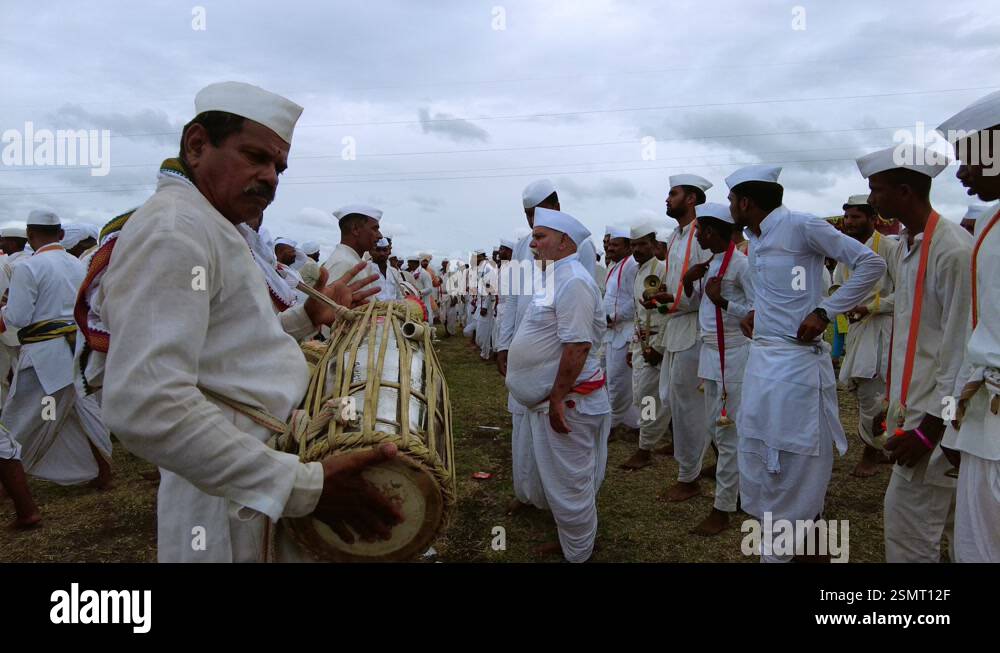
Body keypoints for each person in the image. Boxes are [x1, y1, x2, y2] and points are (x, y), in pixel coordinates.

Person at [81, 81, 401, 562]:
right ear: (196, 145)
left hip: (247, 478)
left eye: (279, 167)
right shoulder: (175, 230)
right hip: (229, 495)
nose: (270, 177)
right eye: (255, 156)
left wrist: (306, 317)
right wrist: (298, 485)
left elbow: (226, 346)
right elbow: (145, 402)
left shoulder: (211, 224)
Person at [729, 164, 885, 562]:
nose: (731, 206)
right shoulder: (756, 239)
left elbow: (871, 264)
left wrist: (826, 311)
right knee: (760, 452)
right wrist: (753, 313)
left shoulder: (802, 226)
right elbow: (774, 295)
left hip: (796, 366)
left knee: (795, 457)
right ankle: (800, 544)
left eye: (732, 200)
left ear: (746, 202)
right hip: (762, 362)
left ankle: (784, 549)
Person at [858, 144, 970, 562]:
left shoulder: (953, 250)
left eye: (877, 189)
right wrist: (893, 403)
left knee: (908, 533)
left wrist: (930, 432)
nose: (872, 200)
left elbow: (961, 349)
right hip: (917, 410)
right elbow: (914, 339)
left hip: (937, 421)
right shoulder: (908, 245)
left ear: (904, 192)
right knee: (957, 531)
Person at [505, 207, 610, 562]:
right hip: (558, 400)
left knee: (570, 485)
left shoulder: (575, 281)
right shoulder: (556, 277)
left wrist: (557, 398)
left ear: (564, 241)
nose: (532, 244)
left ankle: (578, 554)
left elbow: (577, 346)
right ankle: (573, 545)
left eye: (540, 236)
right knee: (562, 482)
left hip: (571, 404)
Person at [0, 210, 114, 524]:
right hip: (78, 350)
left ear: (30, 235)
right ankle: (103, 471)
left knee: (14, 421)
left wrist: (5, 307)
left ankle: (14, 494)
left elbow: (19, 318)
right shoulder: (80, 265)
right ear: (61, 235)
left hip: (44, 356)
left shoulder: (29, 267)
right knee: (82, 412)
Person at [937, 90, 1000, 562]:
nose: (961, 174)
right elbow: (980, 332)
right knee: (975, 548)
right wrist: (957, 424)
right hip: (984, 418)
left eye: (970, 160)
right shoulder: (991, 223)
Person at [688, 203, 753, 535]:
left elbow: (758, 313)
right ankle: (741, 491)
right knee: (717, 430)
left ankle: (723, 508)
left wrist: (723, 301)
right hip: (711, 355)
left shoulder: (741, 265)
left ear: (712, 232)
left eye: (699, 229)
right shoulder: (710, 263)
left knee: (728, 435)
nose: (696, 234)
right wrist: (690, 281)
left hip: (735, 356)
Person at [833, 194, 900, 478]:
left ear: (873, 219)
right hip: (858, 329)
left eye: (856, 217)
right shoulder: (845, 250)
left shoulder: (888, 248)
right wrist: (841, 303)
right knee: (864, 391)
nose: (849, 222)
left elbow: (905, 293)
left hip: (884, 329)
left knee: (877, 393)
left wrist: (870, 306)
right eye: (847, 217)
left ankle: (872, 451)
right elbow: (837, 284)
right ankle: (883, 445)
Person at [659, 174, 714, 502]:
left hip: (695, 328)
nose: (667, 198)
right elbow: (674, 284)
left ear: (691, 199)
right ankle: (701, 464)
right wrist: (660, 298)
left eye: (673, 193)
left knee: (690, 405)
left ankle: (689, 476)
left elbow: (698, 289)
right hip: (676, 328)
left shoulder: (701, 235)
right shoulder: (675, 236)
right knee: (676, 400)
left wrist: (669, 301)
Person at [620, 221, 672, 470]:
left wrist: (659, 347)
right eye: (633, 245)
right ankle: (653, 441)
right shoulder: (639, 271)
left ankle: (645, 448)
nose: (637, 249)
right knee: (642, 395)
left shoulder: (663, 270)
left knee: (649, 398)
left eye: (642, 244)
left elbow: (670, 312)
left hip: (657, 346)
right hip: (641, 343)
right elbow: (638, 315)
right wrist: (633, 348)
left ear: (653, 243)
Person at [601, 227, 640, 436]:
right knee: (612, 379)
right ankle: (631, 423)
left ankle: (613, 425)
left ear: (627, 246)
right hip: (611, 332)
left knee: (618, 381)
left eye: (615, 244)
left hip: (624, 331)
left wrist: (614, 317)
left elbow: (635, 299)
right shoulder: (615, 266)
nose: (610, 248)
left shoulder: (632, 266)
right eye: (609, 244)